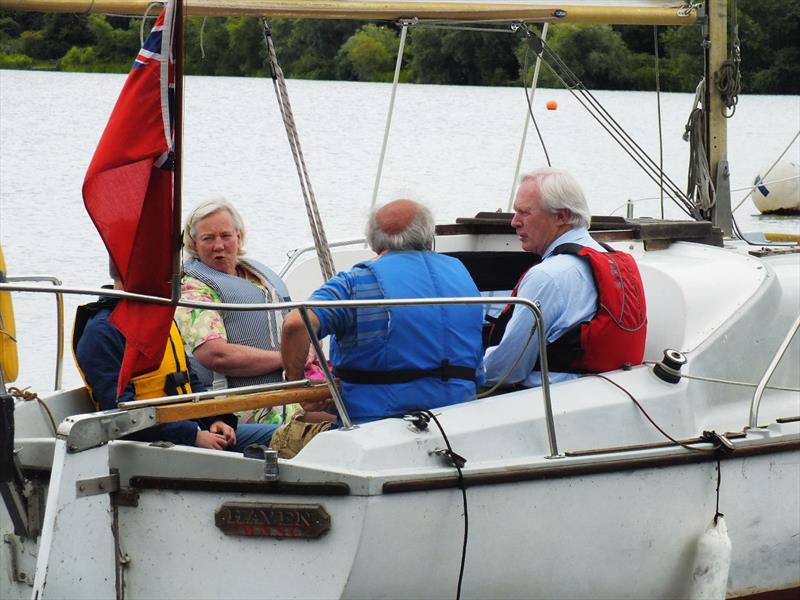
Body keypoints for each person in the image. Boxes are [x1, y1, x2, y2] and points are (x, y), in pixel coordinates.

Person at [280, 199, 484, 425]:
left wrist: (297, 385)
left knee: (282, 436)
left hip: (378, 427)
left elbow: (296, 325)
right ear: (428, 236)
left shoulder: (357, 283)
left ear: (374, 242)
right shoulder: (462, 277)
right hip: (460, 421)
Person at [73, 262, 278, 450]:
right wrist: (192, 437)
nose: (171, 279)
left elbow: (190, 381)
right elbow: (121, 417)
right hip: (155, 448)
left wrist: (216, 420)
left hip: (193, 430)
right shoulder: (102, 333)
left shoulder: (158, 317)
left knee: (286, 436)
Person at [483, 167, 647, 388]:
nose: (514, 222)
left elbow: (507, 372)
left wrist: (465, 372)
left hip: (545, 402)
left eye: (524, 212)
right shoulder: (612, 260)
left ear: (561, 216)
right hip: (609, 388)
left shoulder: (547, 277)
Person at [177, 199, 293, 424]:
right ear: (194, 244)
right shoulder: (193, 289)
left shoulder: (258, 277)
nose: (218, 245)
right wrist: (285, 359)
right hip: (239, 409)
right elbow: (215, 354)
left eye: (225, 236)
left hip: (287, 394)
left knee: (350, 417)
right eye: (208, 238)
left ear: (239, 236)